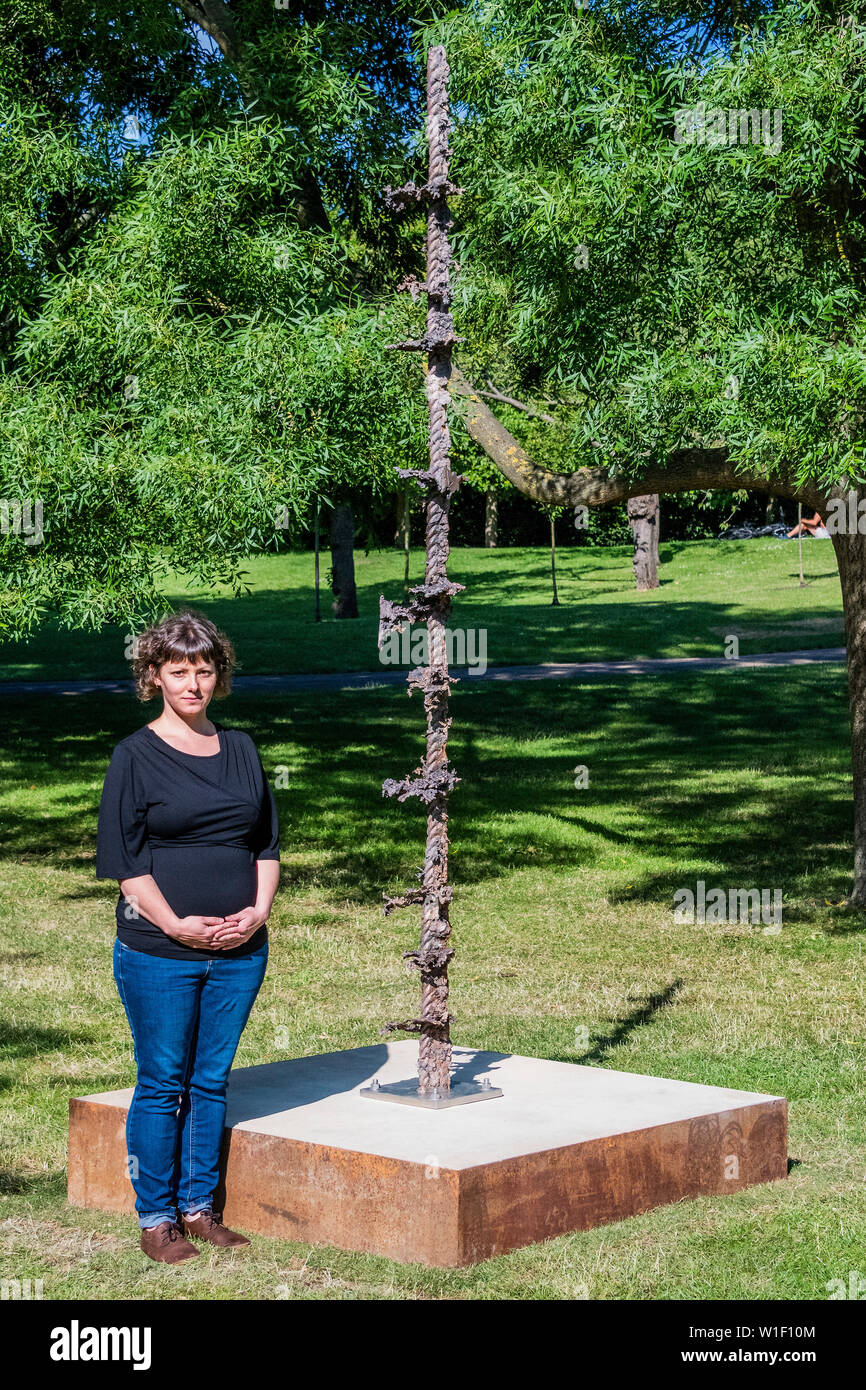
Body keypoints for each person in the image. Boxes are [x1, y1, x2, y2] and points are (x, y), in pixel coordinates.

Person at [95, 609, 280, 1264]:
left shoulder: (242, 749)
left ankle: (200, 1209)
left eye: (205, 671)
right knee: (163, 1081)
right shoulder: (135, 756)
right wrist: (174, 923)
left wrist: (256, 912)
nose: (194, 684)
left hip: (238, 952)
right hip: (160, 952)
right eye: (180, 672)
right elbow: (123, 862)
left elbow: (266, 844)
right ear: (155, 676)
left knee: (210, 1080)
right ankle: (157, 1218)